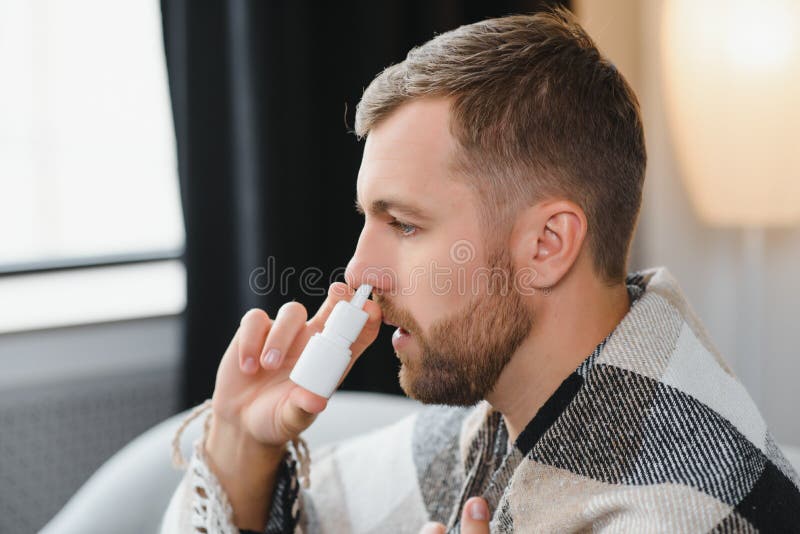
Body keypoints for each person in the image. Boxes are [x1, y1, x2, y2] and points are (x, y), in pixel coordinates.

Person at [160, 7, 800, 533]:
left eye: (404, 224)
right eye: (367, 220)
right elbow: (303, 511)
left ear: (548, 243)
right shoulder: (499, 423)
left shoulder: (681, 515)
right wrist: (244, 443)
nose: (358, 270)